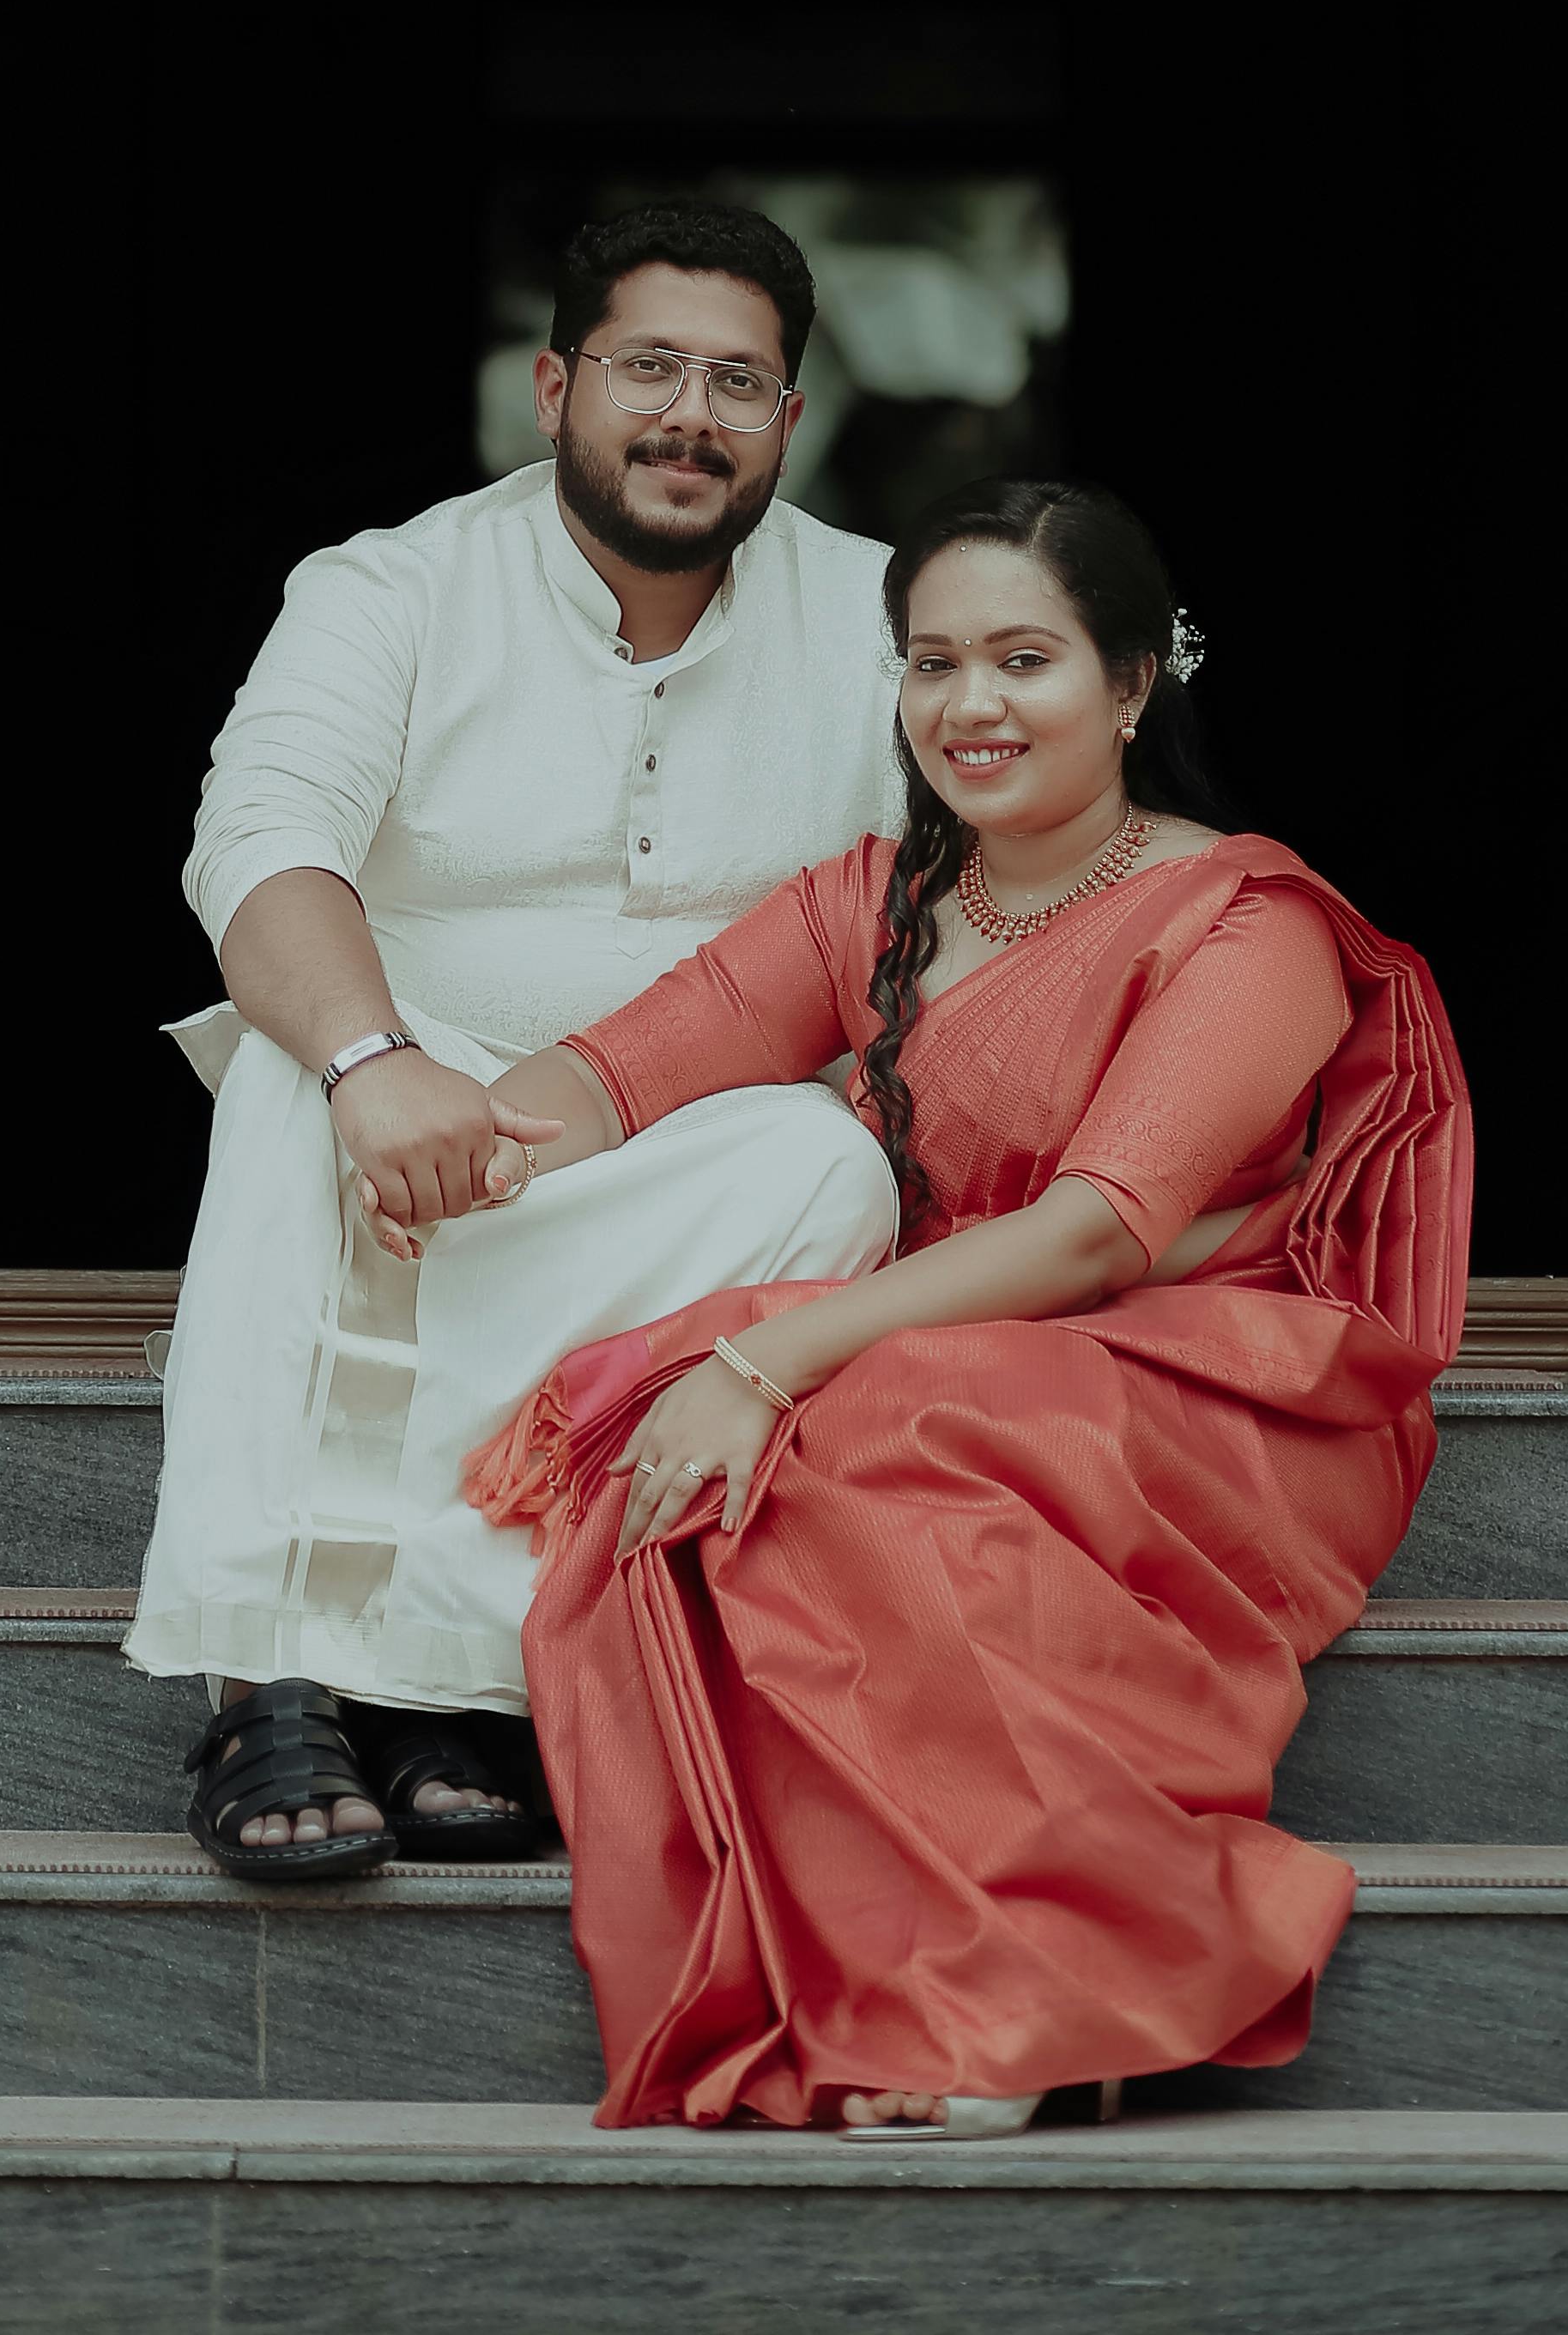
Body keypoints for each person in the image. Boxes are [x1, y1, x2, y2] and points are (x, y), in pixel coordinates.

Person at [459, 476, 1471, 2131]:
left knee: (867, 1428)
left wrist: (763, 1353)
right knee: (810, 1445)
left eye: (1025, 659)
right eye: (934, 664)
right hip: (947, 1350)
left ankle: (1040, 1996)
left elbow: (1097, 1238)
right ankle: (915, 1985)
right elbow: (613, 1076)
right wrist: (398, 1110)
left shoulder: (1245, 919)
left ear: (1135, 682)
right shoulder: (876, 900)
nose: (971, 706)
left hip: (1218, 1375)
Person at [125, 199, 905, 1875]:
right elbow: (261, 841)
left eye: (740, 380)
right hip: (405, 1109)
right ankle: (281, 1681)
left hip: (685, 1140)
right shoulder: (390, 584)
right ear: (555, 385)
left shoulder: (880, 616)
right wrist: (369, 1055)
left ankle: (471, 1681)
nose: (691, 412)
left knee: (833, 1161)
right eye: (649, 366)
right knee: (276, 1079)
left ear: (792, 412)